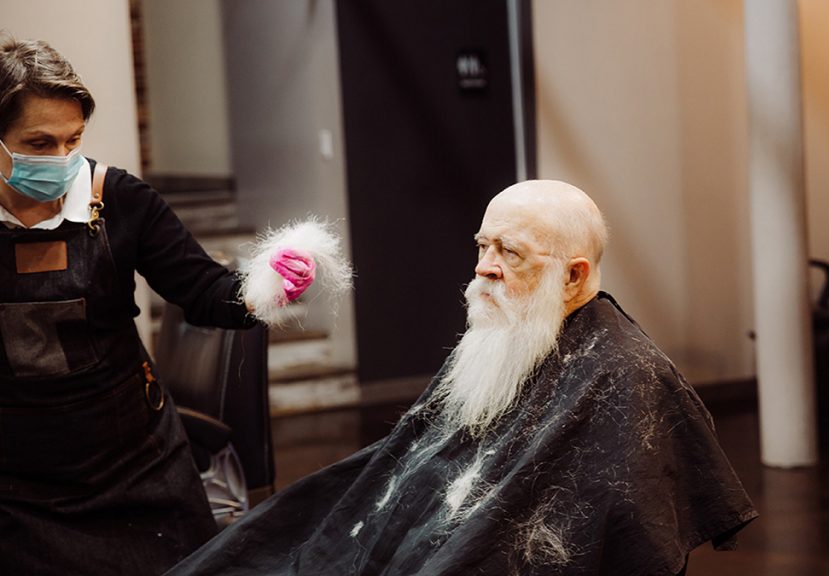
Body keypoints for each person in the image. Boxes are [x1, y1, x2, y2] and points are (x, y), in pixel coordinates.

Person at [168, 179, 758, 575]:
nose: (484, 267)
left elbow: (594, 537)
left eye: (510, 253)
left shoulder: (626, 376)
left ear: (575, 278)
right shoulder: (508, 331)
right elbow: (420, 458)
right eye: (482, 245)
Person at [0, 36, 315, 575]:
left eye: (73, 140)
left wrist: (268, 286)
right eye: (40, 143)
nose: (62, 159)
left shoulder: (118, 200)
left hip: (135, 468)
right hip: (19, 486)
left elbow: (204, 290)